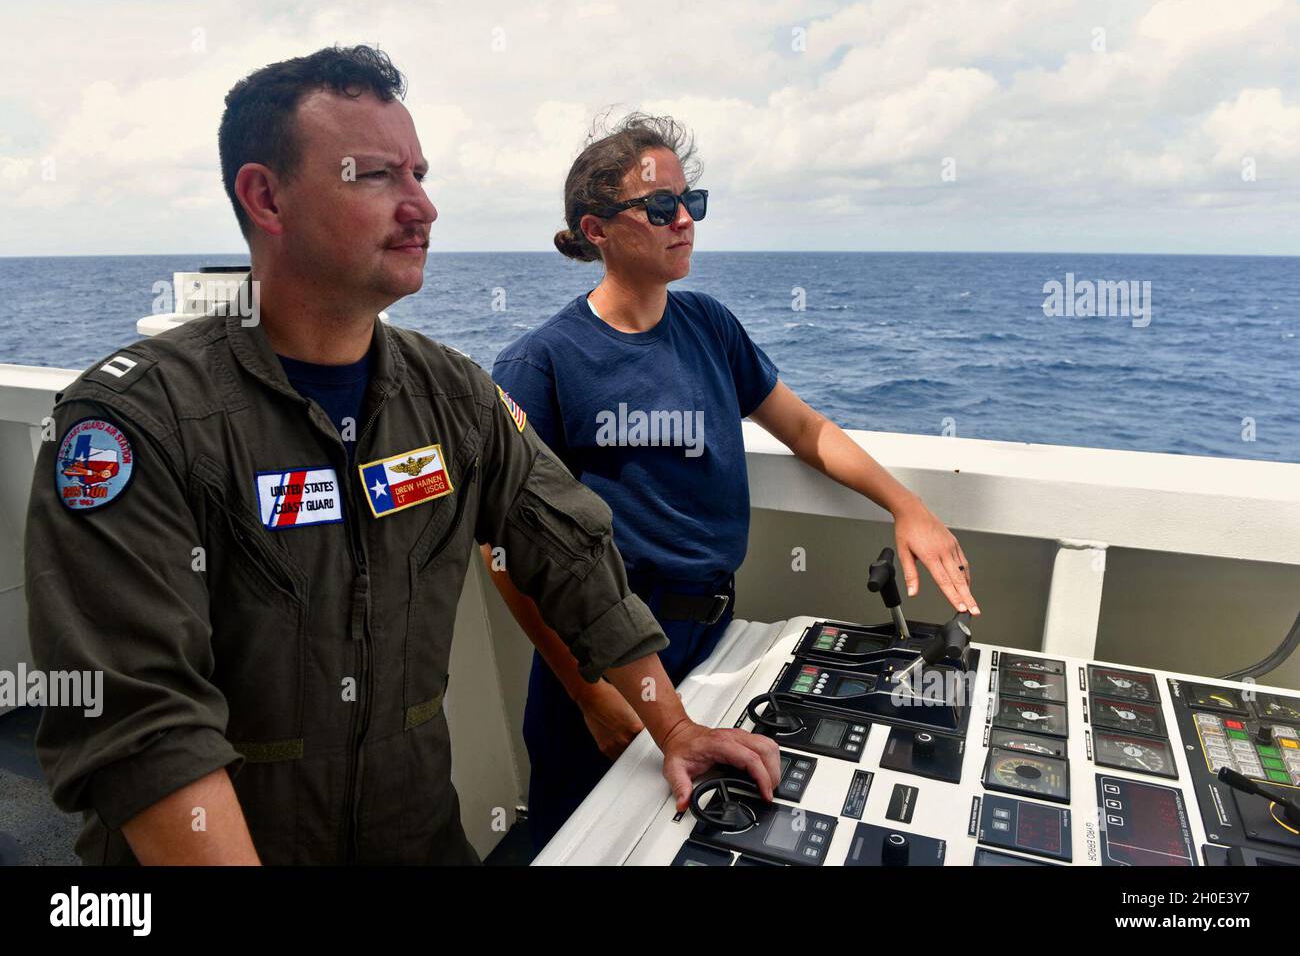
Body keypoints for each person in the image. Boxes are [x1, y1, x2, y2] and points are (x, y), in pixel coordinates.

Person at [23, 47, 778, 866]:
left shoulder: (452, 395)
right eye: (378, 175)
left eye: (419, 173)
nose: (423, 206)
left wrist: (674, 727)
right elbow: (146, 728)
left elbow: (570, 553)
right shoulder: (133, 425)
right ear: (266, 196)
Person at [490, 113, 980, 849]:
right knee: (583, 843)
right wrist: (589, 694)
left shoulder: (709, 326)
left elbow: (806, 430)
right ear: (596, 229)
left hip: (714, 634)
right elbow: (507, 557)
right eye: (660, 208)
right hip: (606, 656)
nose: (684, 220)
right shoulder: (543, 363)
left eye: (693, 202)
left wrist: (906, 505)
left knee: (687, 839)